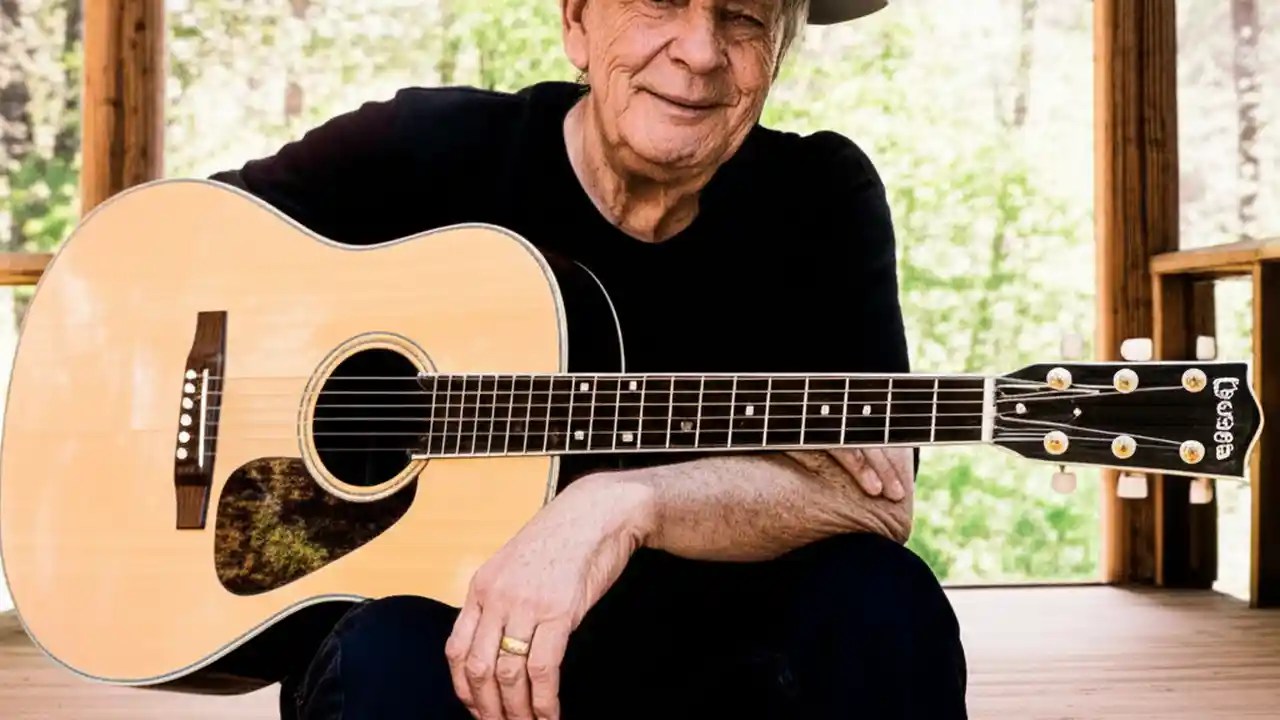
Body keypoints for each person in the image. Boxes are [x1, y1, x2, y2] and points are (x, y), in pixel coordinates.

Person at [210, 0, 968, 717]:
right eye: (660, 2)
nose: (700, 52)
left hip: (725, 657)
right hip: (463, 654)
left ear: (779, 52)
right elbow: (166, 248)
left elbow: (873, 493)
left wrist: (622, 505)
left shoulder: (818, 198)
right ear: (576, 22)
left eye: (742, 17)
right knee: (386, 654)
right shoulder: (426, 150)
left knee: (884, 601)